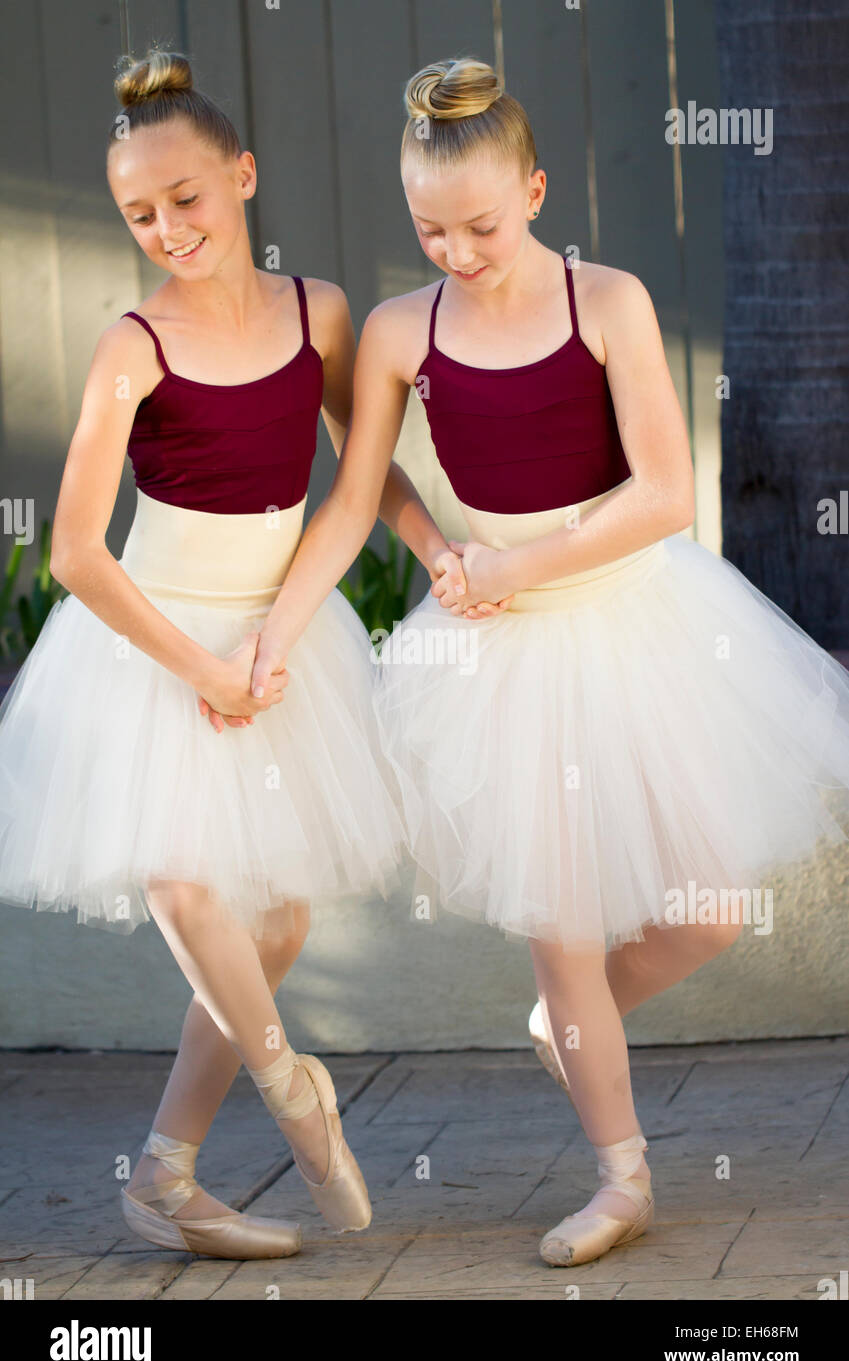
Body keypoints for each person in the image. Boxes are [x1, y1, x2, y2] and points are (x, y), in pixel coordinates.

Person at [246, 56, 849, 1269]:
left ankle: (574, 1025)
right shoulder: (402, 330)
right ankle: (621, 1171)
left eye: (478, 224)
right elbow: (362, 490)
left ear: (532, 189)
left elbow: (667, 492)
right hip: (496, 656)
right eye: (428, 229)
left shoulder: (607, 300)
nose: (456, 252)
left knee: (714, 911)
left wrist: (530, 565)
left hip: (634, 615)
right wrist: (304, 622)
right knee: (562, 922)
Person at [0, 47, 432, 1259]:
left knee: (278, 921)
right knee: (184, 881)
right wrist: (200, 670)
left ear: (242, 176)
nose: (166, 227)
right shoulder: (133, 343)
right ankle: (296, 1091)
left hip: (279, 634)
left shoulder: (322, 312)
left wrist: (435, 546)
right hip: (155, 644)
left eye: (186, 197)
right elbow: (79, 554)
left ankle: (165, 1176)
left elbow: (365, 471)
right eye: (139, 212)